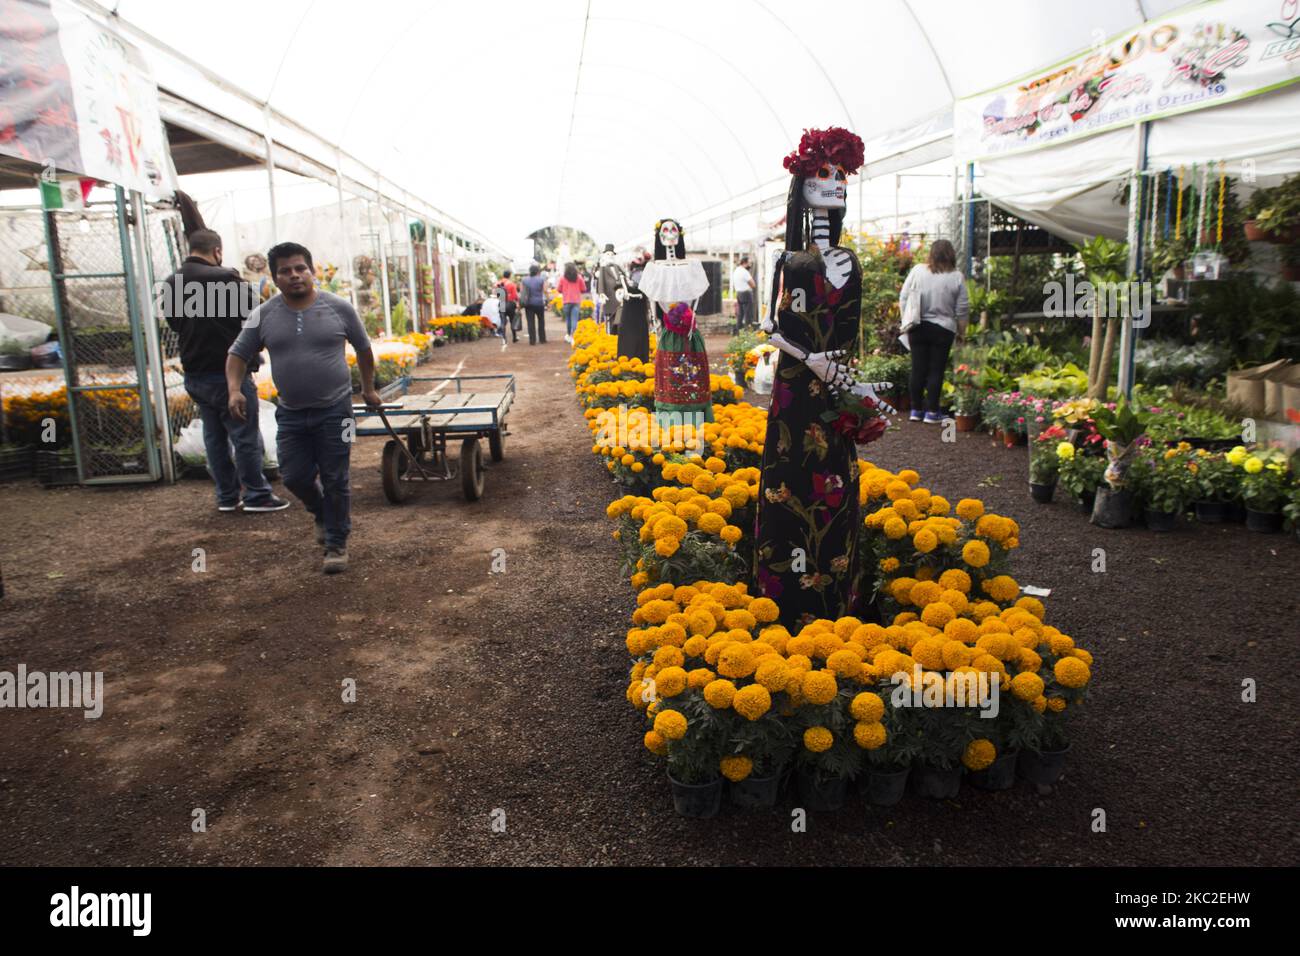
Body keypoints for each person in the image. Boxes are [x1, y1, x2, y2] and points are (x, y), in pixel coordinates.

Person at [226, 241, 381, 575]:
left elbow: (364, 348)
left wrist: (368, 388)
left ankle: (336, 542)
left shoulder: (339, 307)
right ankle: (322, 513)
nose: (294, 275)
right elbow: (237, 354)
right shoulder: (263, 314)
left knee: (336, 476)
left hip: (337, 410)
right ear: (274, 277)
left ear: (311, 270)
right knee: (294, 476)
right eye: (286, 271)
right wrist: (235, 390)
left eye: (300, 268)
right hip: (292, 412)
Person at [161, 229, 287, 513]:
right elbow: (254, 320)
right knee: (244, 435)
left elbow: (174, 324)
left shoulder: (172, 282)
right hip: (230, 372)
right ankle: (256, 495)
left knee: (214, 436)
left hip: (194, 371)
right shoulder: (226, 279)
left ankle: (227, 496)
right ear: (217, 251)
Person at [899, 238, 969, 423]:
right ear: (951, 254)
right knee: (936, 370)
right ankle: (932, 411)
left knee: (917, 368)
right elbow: (962, 309)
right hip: (943, 329)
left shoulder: (918, 271)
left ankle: (915, 410)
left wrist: (905, 320)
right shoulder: (956, 276)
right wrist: (962, 333)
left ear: (931, 253)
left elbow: (904, 296)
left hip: (917, 326)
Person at [556, 262, 587, 344]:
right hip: (576, 301)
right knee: (574, 320)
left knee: (568, 319)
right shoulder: (579, 277)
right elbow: (584, 289)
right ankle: (574, 336)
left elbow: (559, 289)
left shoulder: (563, 278)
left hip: (566, 301)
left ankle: (569, 335)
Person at [520, 263, 549, 345]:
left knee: (530, 322)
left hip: (528, 304)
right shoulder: (541, 279)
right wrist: (548, 301)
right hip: (539, 303)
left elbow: (522, 292)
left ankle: (532, 340)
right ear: (537, 271)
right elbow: (545, 291)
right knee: (541, 321)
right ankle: (542, 339)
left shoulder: (524, 280)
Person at [731, 255, 756, 333]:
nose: (750, 265)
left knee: (740, 314)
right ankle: (748, 333)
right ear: (744, 263)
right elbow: (753, 285)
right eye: (749, 263)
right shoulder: (744, 272)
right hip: (746, 294)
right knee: (748, 314)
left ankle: (738, 332)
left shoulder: (736, 271)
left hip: (739, 294)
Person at [497, 270, 520, 343]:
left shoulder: (499, 283)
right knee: (512, 320)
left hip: (502, 303)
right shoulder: (512, 284)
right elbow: (515, 296)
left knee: (503, 321)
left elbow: (498, 295)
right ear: (509, 275)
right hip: (510, 304)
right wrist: (517, 302)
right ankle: (514, 337)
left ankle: (504, 339)